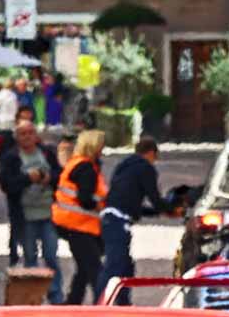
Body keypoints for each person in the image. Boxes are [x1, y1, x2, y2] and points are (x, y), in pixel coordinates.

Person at [100, 137, 176, 305]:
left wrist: (156, 212)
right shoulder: (145, 168)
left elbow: (130, 202)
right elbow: (154, 198)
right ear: (151, 153)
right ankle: (101, 303)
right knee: (114, 265)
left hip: (110, 216)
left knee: (125, 266)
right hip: (119, 221)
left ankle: (123, 303)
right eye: (155, 157)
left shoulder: (124, 165)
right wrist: (171, 209)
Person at [0, 117, 65, 303]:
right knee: (30, 259)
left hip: (48, 213)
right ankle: (33, 298)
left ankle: (56, 297)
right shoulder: (11, 157)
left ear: (36, 136)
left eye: (30, 133)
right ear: (17, 137)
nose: (27, 137)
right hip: (25, 215)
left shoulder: (46, 153)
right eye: (23, 134)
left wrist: (48, 178)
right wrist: (28, 178)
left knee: (51, 256)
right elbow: (7, 185)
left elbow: (59, 175)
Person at [54, 129, 109, 304]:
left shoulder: (77, 163)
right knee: (95, 269)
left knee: (84, 269)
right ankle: (103, 304)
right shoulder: (86, 169)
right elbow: (85, 199)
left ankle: (72, 302)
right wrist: (102, 205)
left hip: (73, 224)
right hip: (80, 226)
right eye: (100, 145)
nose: (102, 149)